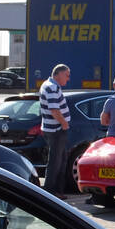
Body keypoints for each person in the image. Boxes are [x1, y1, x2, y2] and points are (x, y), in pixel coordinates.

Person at [40, 63, 73, 199]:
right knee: (55, 161)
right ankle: (50, 192)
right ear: (58, 74)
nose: (68, 78)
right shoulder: (52, 87)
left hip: (53, 129)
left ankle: (58, 191)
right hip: (56, 130)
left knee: (60, 160)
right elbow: (54, 110)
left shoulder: (49, 85)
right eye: (67, 75)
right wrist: (64, 124)